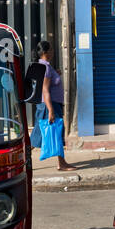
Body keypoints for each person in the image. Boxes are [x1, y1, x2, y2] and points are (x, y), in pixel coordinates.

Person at [35, 41, 76, 171]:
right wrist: (51, 110)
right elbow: (45, 90)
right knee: (55, 133)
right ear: (46, 52)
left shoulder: (43, 66)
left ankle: (23, 160)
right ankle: (62, 163)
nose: (53, 51)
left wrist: (56, 74)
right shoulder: (45, 68)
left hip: (48, 105)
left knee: (37, 135)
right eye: (51, 49)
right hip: (50, 105)